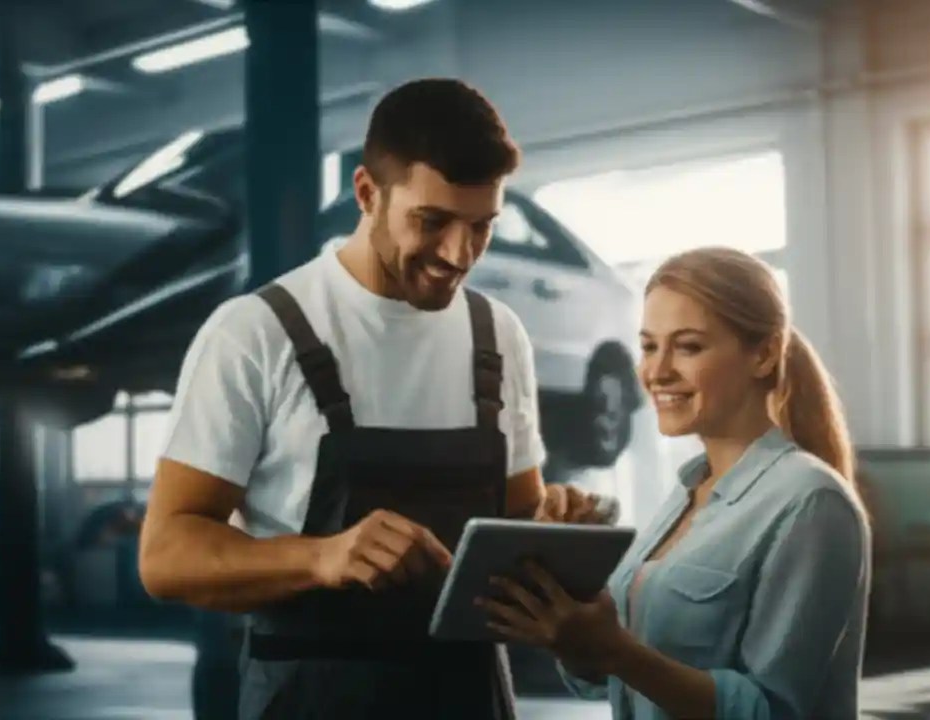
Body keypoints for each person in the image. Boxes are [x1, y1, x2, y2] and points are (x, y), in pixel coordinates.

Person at [138, 77, 604, 720]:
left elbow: (518, 517)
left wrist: (555, 531)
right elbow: (165, 556)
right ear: (367, 194)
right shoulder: (256, 333)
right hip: (308, 700)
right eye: (432, 221)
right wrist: (321, 556)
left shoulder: (498, 335)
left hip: (470, 698)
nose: (459, 254)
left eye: (481, 226)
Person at [482, 247, 872, 719]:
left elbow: (772, 712)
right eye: (649, 347)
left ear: (765, 354)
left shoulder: (810, 501)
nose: (657, 371)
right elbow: (607, 677)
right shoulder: (686, 494)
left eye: (688, 347)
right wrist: (572, 606)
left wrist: (617, 652)